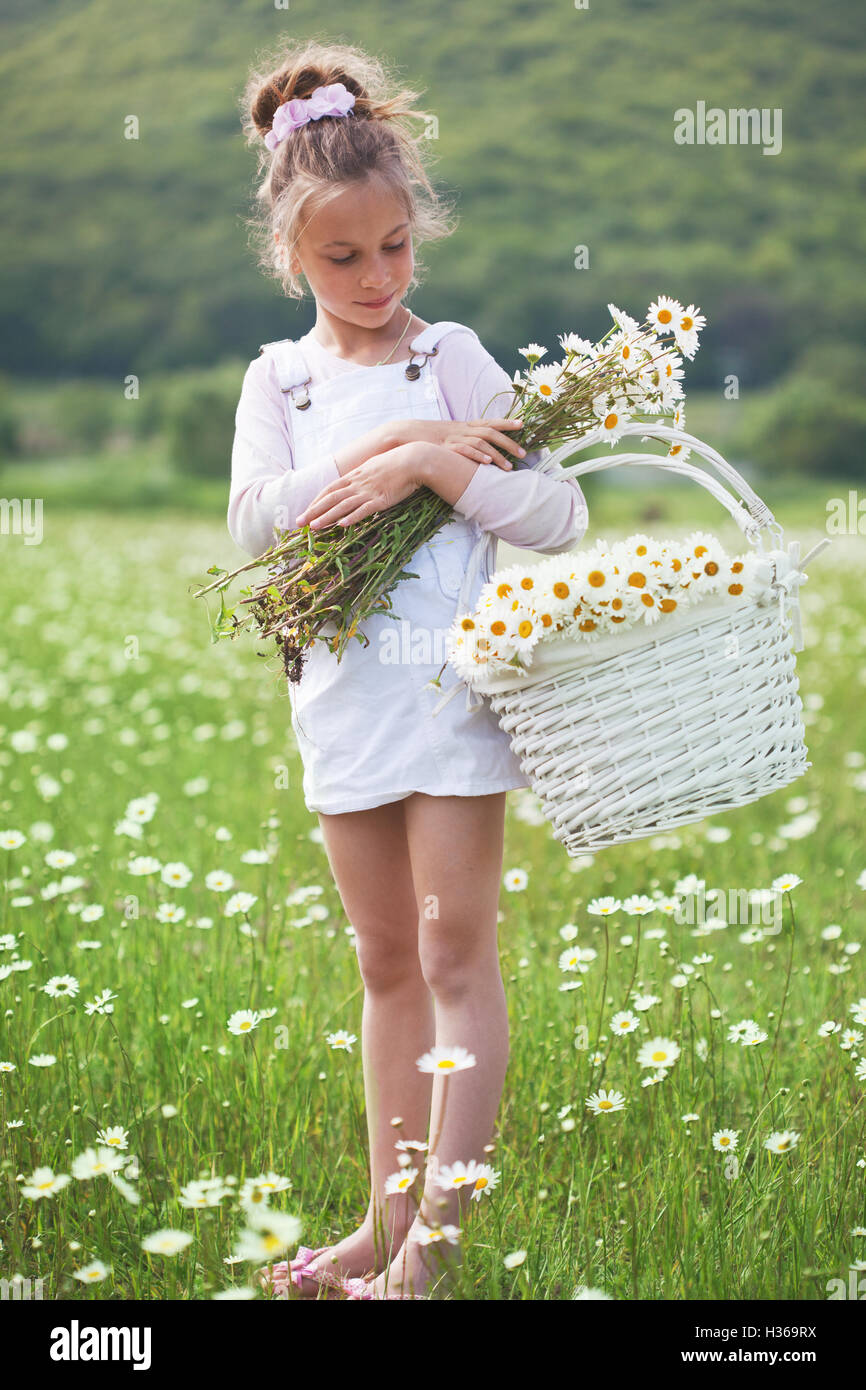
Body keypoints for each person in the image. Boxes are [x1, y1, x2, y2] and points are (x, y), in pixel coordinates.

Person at [228, 37, 588, 1300]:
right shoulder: (279, 380)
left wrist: (440, 463)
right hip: (341, 704)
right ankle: (376, 1230)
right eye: (344, 257)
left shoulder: (455, 356)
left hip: (450, 703)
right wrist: (396, 447)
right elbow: (255, 522)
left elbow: (554, 517)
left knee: (450, 961)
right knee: (383, 967)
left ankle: (429, 1254)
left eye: (394, 250)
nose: (376, 277)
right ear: (293, 256)